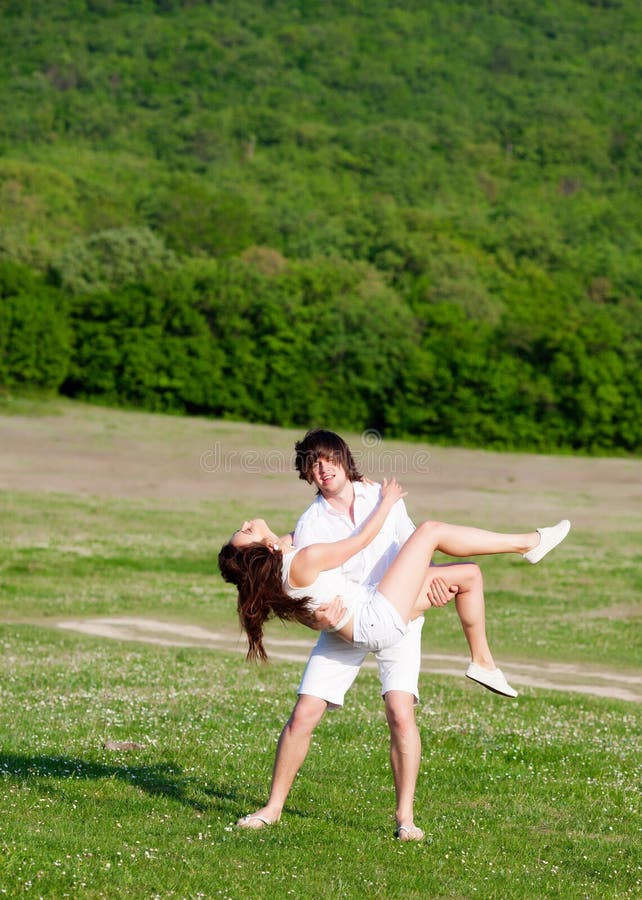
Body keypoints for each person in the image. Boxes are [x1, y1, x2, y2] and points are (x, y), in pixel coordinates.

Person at [218, 430, 570, 839]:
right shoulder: (310, 524)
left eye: (328, 458)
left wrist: (429, 583)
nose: (322, 467)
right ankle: (273, 807)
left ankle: (405, 819)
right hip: (354, 620)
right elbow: (316, 584)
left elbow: (408, 547)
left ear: (344, 460)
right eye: (313, 463)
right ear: (307, 475)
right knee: (302, 717)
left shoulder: (361, 499)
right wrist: (321, 620)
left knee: (402, 714)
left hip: (386, 607)